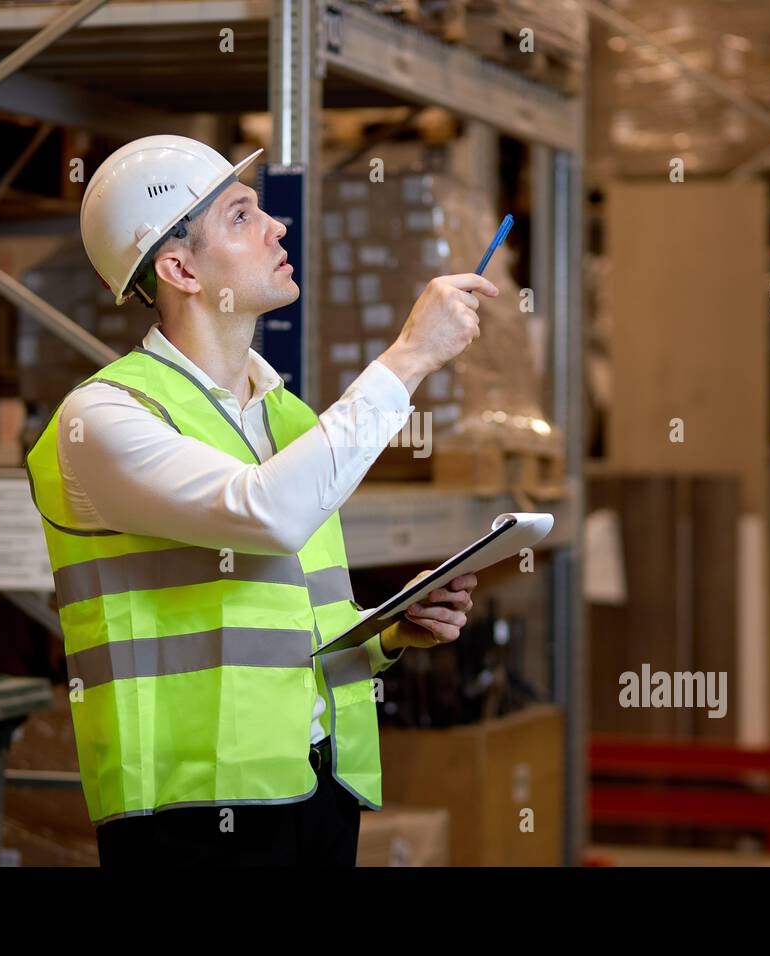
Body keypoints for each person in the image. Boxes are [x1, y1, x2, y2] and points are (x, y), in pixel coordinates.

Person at [25, 135, 497, 866]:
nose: (277, 227)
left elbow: (276, 617)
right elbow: (265, 513)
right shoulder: (106, 418)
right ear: (180, 268)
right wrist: (409, 357)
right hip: (188, 808)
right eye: (242, 217)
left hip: (315, 786)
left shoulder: (288, 417)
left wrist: (388, 631)